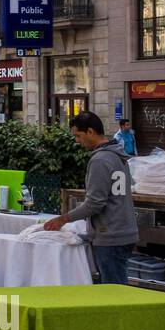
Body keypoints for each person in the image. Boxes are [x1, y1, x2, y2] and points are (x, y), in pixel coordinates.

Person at [44, 111, 139, 285]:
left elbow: (95, 203)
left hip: (110, 234)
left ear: (90, 132)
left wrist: (63, 219)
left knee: (114, 293)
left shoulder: (100, 160)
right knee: (119, 288)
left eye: (78, 136)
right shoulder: (118, 155)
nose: (77, 141)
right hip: (124, 231)